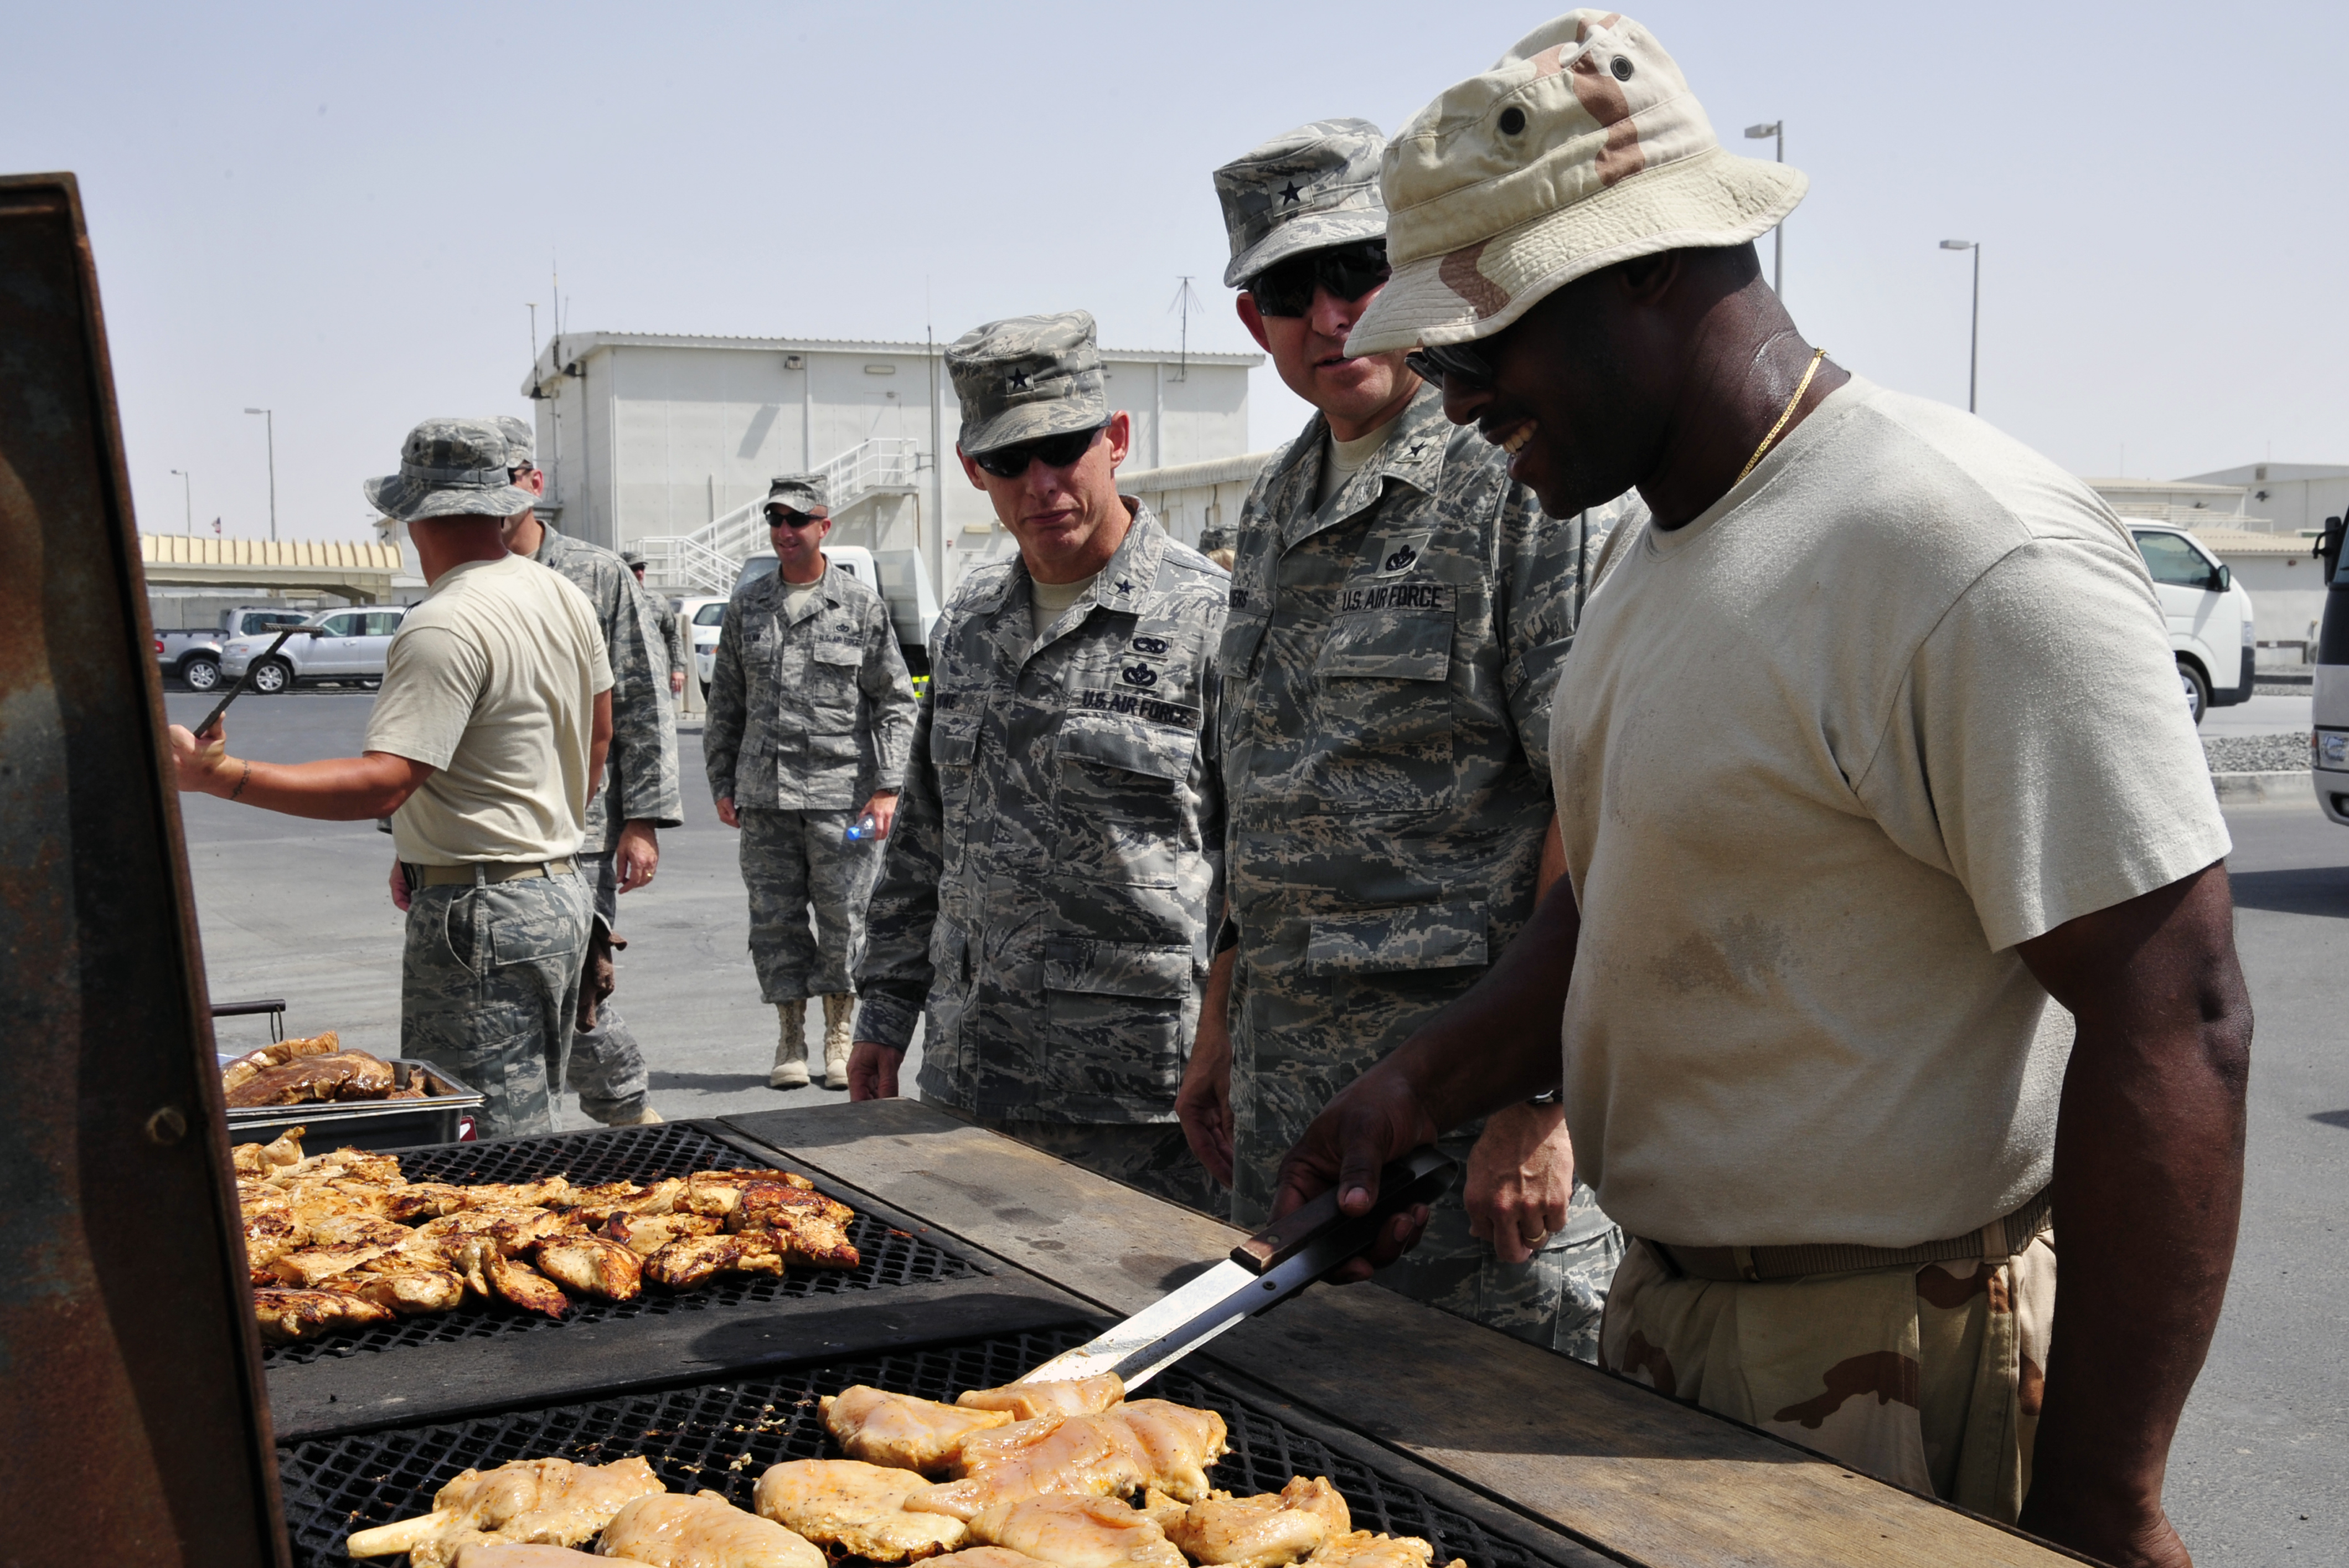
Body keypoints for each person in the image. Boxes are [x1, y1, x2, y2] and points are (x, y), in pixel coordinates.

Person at [1279, 15, 2250, 1566]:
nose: (1449, 392)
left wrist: (2098, 1506)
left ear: (1651, 261)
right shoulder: (1652, 550)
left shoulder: (1956, 551)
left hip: (1909, 1370)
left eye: (1482, 338)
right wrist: (1431, 1079)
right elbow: (1625, 894)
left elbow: (2180, 1021)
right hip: (1670, 1329)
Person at [1179, 117, 1623, 1361]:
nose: (1331, 316)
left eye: (1356, 270)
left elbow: (1593, 809)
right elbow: (1256, 795)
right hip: (1293, 1128)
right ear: (1251, 322)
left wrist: (1537, 1101)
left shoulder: (1517, 479)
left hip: (1462, 1142)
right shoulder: (1276, 502)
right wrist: (1220, 1027)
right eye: (1287, 289)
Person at [849, 311, 1230, 1214]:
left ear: (1116, 439)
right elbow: (925, 837)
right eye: (1008, 461)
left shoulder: (1213, 620)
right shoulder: (971, 621)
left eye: (1063, 447)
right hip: (970, 1085)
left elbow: (1260, 873)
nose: (1041, 482)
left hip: (1143, 1112)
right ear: (970, 468)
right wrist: (885, 1006)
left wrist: (1236, 1053)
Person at [173, 417, 612, 1136]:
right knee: (523, 1125)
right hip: (559, 894)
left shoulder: (444, 622)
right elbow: (598, 737)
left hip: (485, 915)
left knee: (474, 1151)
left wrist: (221, 777)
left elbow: (385, 783)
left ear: (411, 517)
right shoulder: (557, 593)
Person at [455, 413, 680, 1127]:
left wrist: (641, 822)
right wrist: (406, 840)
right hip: (476, 831)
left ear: (534, 485)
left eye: (506, 489)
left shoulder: (596, 575)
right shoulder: (461, 575)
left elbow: (641, 703)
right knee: (496, 994)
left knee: (574, 983)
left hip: (577, 832)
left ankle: (625, 1110)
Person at [706, 475, 917, 1090]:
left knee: (845, 920)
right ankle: (790, 1036)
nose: (785, 531)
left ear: (825, 527)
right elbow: (725, 705)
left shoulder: (859, 606)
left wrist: (887, 789)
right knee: (774, 921)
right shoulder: (748, 607)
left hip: (841, 800)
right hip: (764, 797)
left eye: (797, 520)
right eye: (775, 520)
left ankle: (839, 1034)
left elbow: (895, 703)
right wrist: (722, 781)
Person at [623, 549, 690, 698]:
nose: (640, 573)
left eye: (642, 568)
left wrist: (678, 669)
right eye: (634, 569)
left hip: (654, 677)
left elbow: (673, 636)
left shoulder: (657, 601)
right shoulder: (613, 602)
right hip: (621, 680)